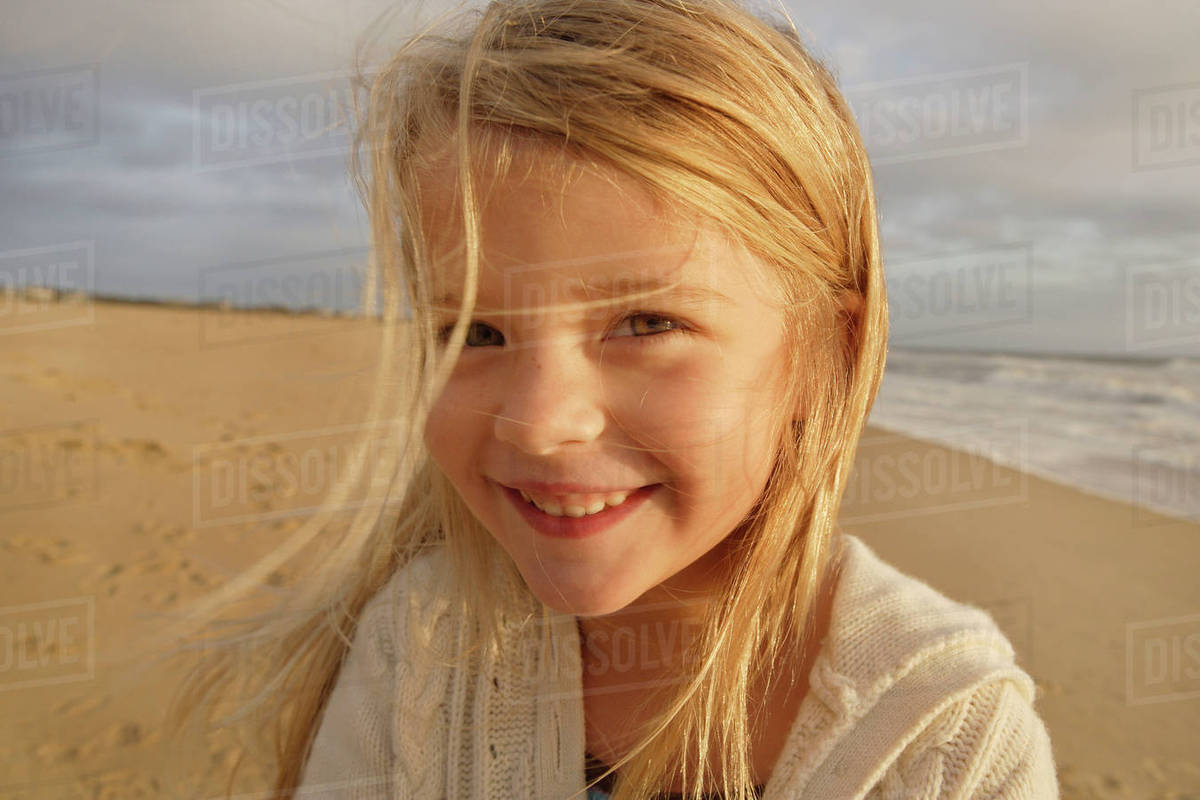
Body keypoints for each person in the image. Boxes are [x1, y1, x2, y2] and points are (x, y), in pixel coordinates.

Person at [163, 1, 1060, 798]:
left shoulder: (946, 738)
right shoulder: (424, 645)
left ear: (827, 353)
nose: (540, 422)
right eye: (476, 332)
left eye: (646, 323)